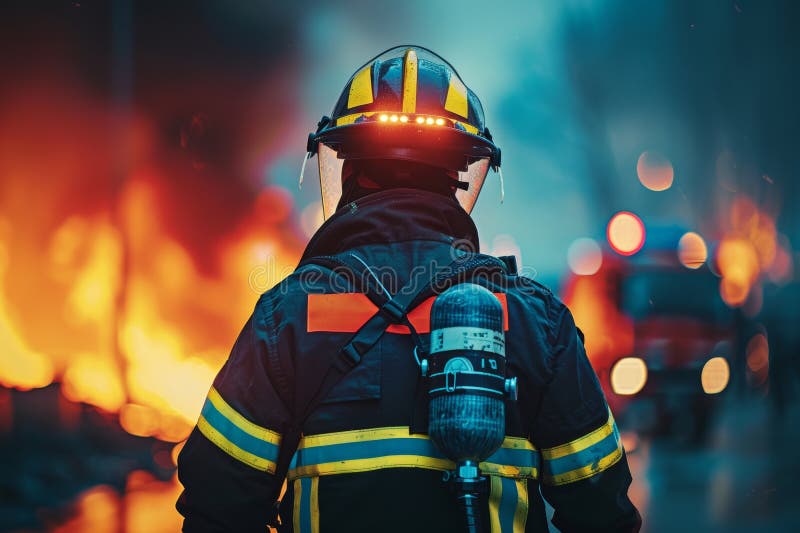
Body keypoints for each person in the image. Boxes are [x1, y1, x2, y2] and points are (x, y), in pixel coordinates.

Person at [177, 45, 641, 533]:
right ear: (458, 178)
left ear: (347, 169)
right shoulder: (534, 321)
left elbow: (217, 504)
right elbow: (602, 511)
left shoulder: (289, 316)